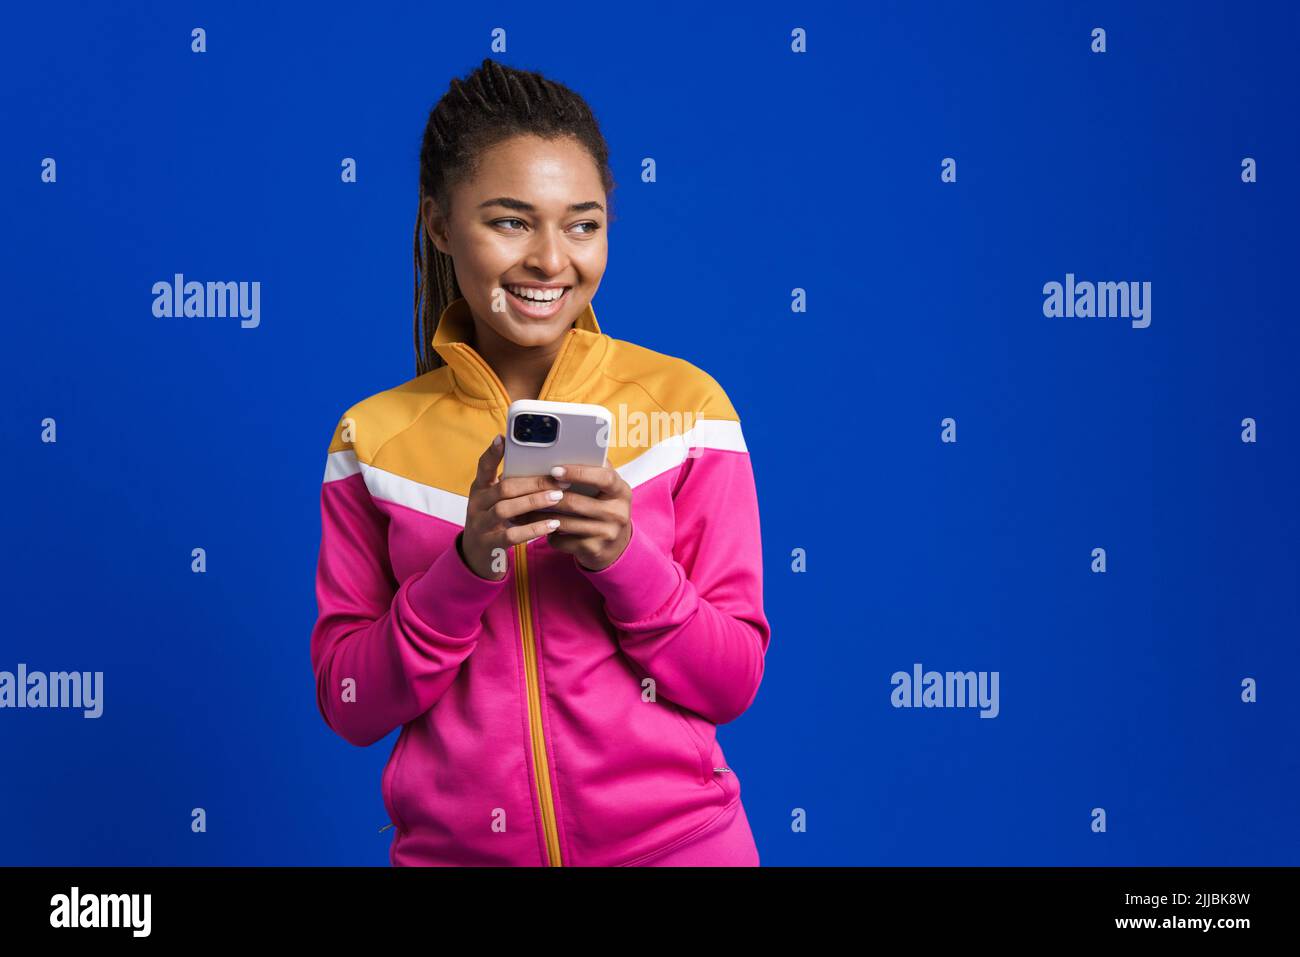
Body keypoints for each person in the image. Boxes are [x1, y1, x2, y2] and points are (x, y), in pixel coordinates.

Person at [310, 57, 770, 867]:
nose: (552, 260)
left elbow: (731, 682)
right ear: (439, 224)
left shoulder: (689, 409)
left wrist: (625, 561)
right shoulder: (371, 439)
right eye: (511, 221)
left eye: (582, 223)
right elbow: (350, 702)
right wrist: (466, 565)